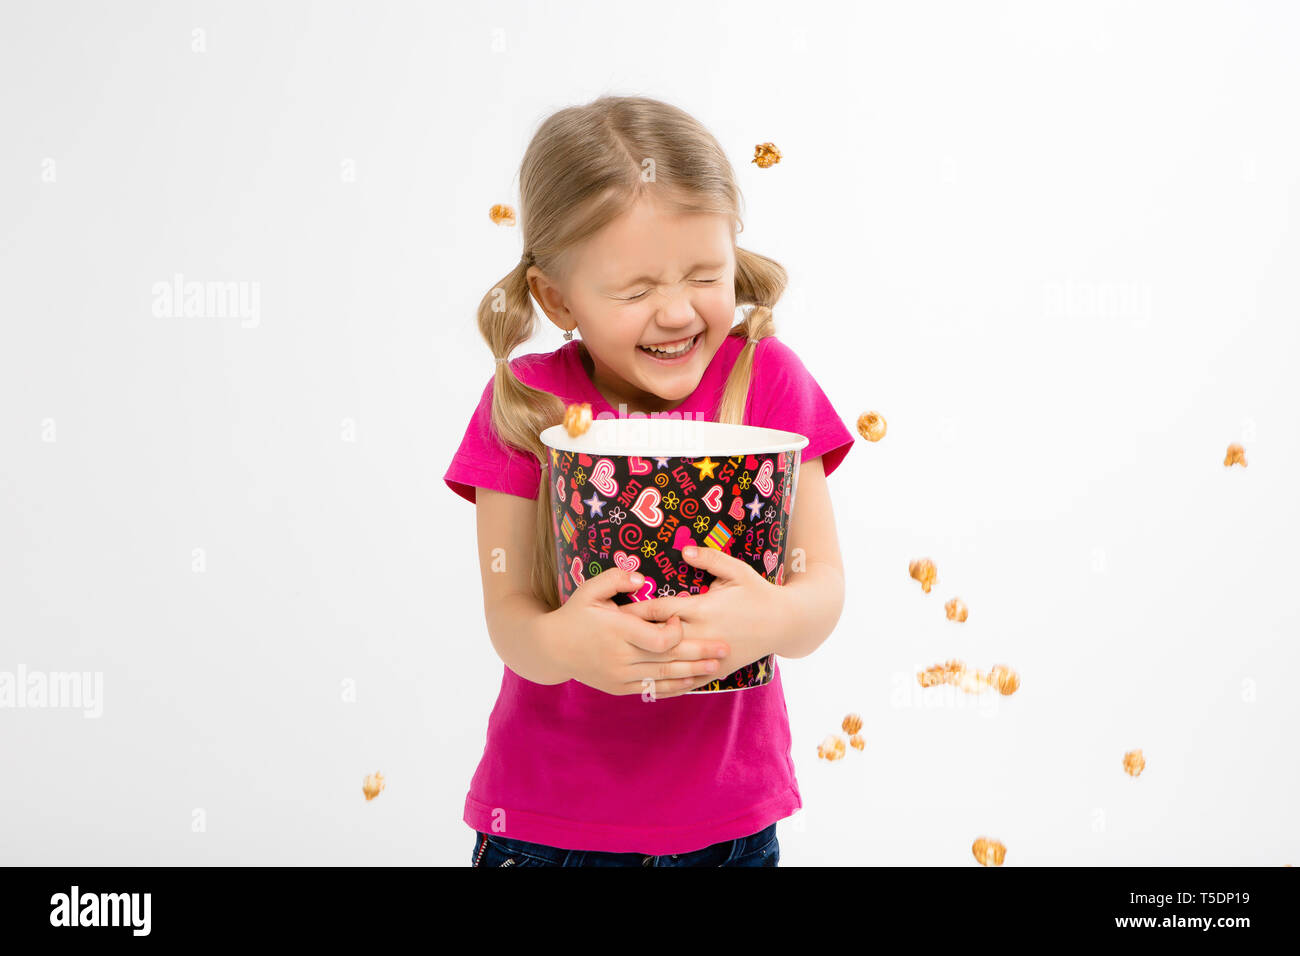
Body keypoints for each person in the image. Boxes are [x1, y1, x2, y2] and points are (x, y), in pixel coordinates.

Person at [445, 95, 855, 866]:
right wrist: (564, 644)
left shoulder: (767, 381)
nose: (675, 313)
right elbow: (509, 619)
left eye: (705, 275)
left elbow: (822, 589)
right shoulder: (530, 403)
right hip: (548, 834)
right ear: (557, 297)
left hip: (732, 833)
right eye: (635, 292)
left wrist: (770, 620)